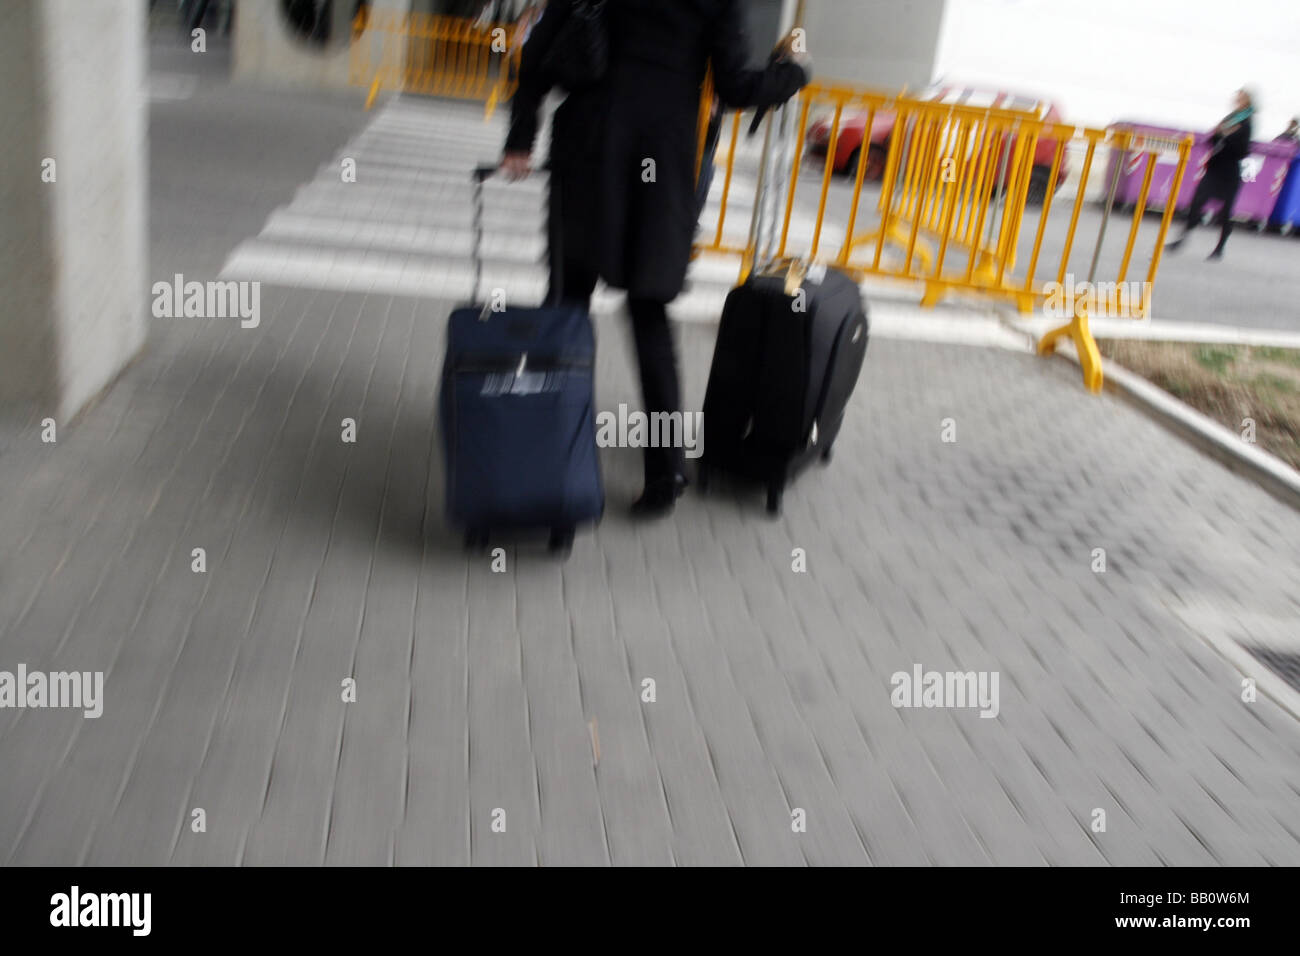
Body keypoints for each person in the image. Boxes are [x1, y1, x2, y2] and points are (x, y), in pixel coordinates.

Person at [501, 0, 811, 518]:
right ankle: (664, 472)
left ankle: (549, 455)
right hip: (657, 162)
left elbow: (536, 56)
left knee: (566, 307)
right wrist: (792, 75)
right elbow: (736, 86)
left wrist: (520, 138)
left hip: (587, 151)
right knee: (649, 318)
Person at [1166, 88, 1255, 260]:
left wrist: (1228, 136)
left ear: (1247, 101)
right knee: (1196, 202)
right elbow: (1212, 140)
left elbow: (1243, 151)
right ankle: (1181, 239)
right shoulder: (1230, 118)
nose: (1236, 100)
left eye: (1240, 98)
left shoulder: (1247, 123)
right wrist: (1219, 133)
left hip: (1230, 173)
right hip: (1214, 169)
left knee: (1225, 212)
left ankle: (1220, 248)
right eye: (1236, 97)